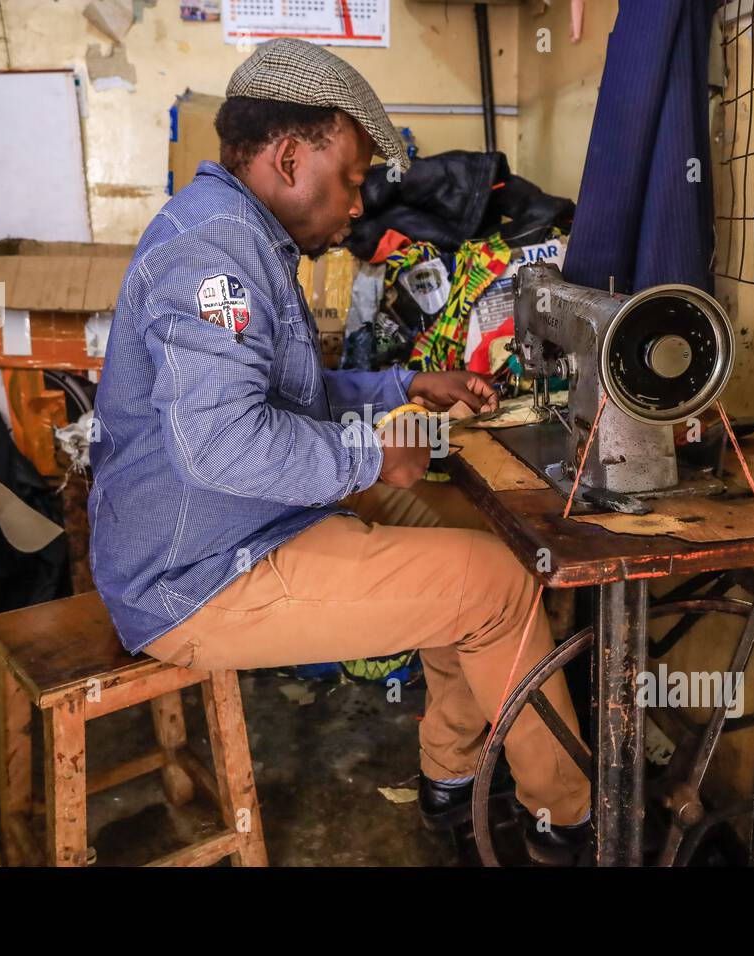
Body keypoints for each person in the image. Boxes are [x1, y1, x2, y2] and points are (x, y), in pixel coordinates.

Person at [88, 38, 590, 864]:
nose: (359, 206)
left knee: (462, 548)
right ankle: (569, 821)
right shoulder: (211, 254)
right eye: (352, 178)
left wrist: (402, 389)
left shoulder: (241, 235)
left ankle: (452, 779)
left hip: (241, 529)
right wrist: (368, 455)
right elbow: (220, 443)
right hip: (196, 575)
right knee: (501, 588)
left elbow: (285, 399)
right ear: (289, 158)